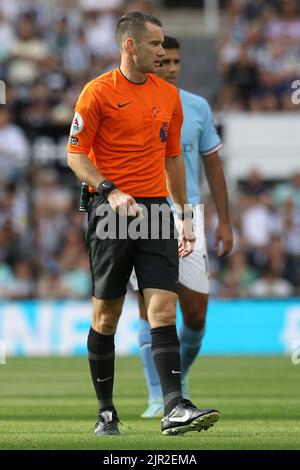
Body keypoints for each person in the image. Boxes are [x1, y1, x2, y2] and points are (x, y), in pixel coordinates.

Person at [67, 12, 220, 436]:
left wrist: (185, 214)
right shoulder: (97, 92)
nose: (162, 51)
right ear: (130, 46)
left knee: (163, 308)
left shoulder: (166, 95)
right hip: (111, 212)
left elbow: (173, 158)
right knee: (107, 317)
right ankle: (106, 413)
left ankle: (174, 406)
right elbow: (75, 155)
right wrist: (109, 189)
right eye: (155, 45)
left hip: (154, 211)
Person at [130, 36, 233, 418]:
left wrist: (225, 220)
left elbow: (213, 165)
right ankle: (159, 394)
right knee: (152, 307)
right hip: (145, 212)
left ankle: (179, 376)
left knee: (195, 315)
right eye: (164, 60)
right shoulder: (130, 101)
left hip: (189, 213)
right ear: (152, 60)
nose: (170, 67)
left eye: (176, 61)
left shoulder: (197, 107)